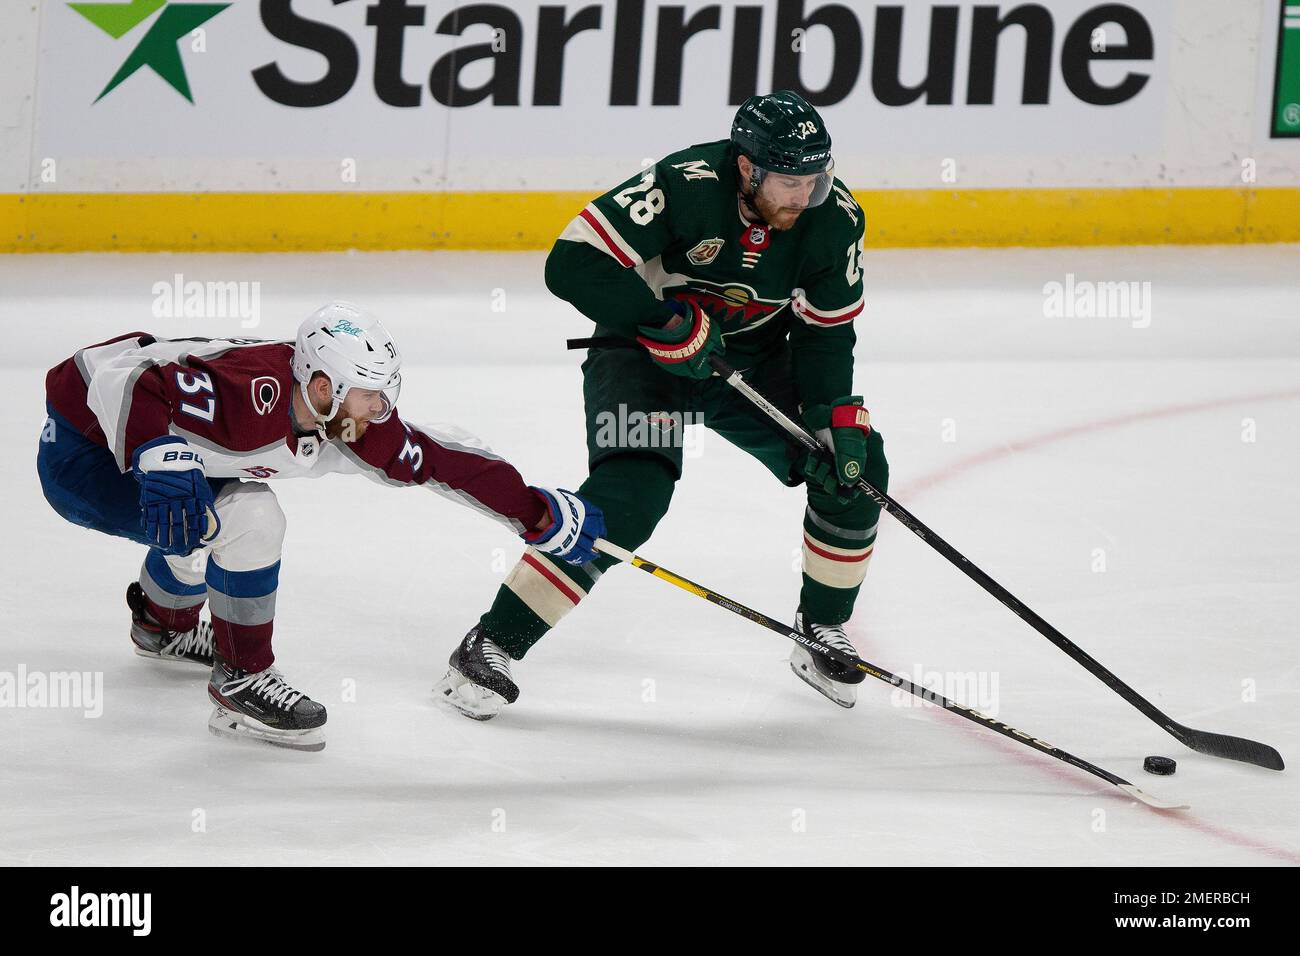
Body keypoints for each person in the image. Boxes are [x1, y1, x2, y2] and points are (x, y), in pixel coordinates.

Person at [435, 90, 888, 719]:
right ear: (747, 167)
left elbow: (826, 334)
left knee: (856, 473)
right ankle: (490, 644)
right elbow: (570, 264)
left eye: (814, 180)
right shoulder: (683, 184)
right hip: (641, 357)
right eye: (789, 181)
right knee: (630, 497)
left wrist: (832, 417)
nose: (802, 196)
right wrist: (659, 318)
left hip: (747, 365)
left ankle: (819, 632)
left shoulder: (833, 217)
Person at [38, 302, 604, 749]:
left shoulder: (352, 425)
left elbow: (436, 459)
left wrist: (533, 511)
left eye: (385, 389)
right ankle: (241, 679)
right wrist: (153, 451)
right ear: (322, 386)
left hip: (149, 448)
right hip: (83, 454)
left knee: (202, 505)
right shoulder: (249, 394)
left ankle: (164, 625)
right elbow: (128, 375)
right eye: (367, 390)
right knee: (249, 515)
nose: (379, 406)